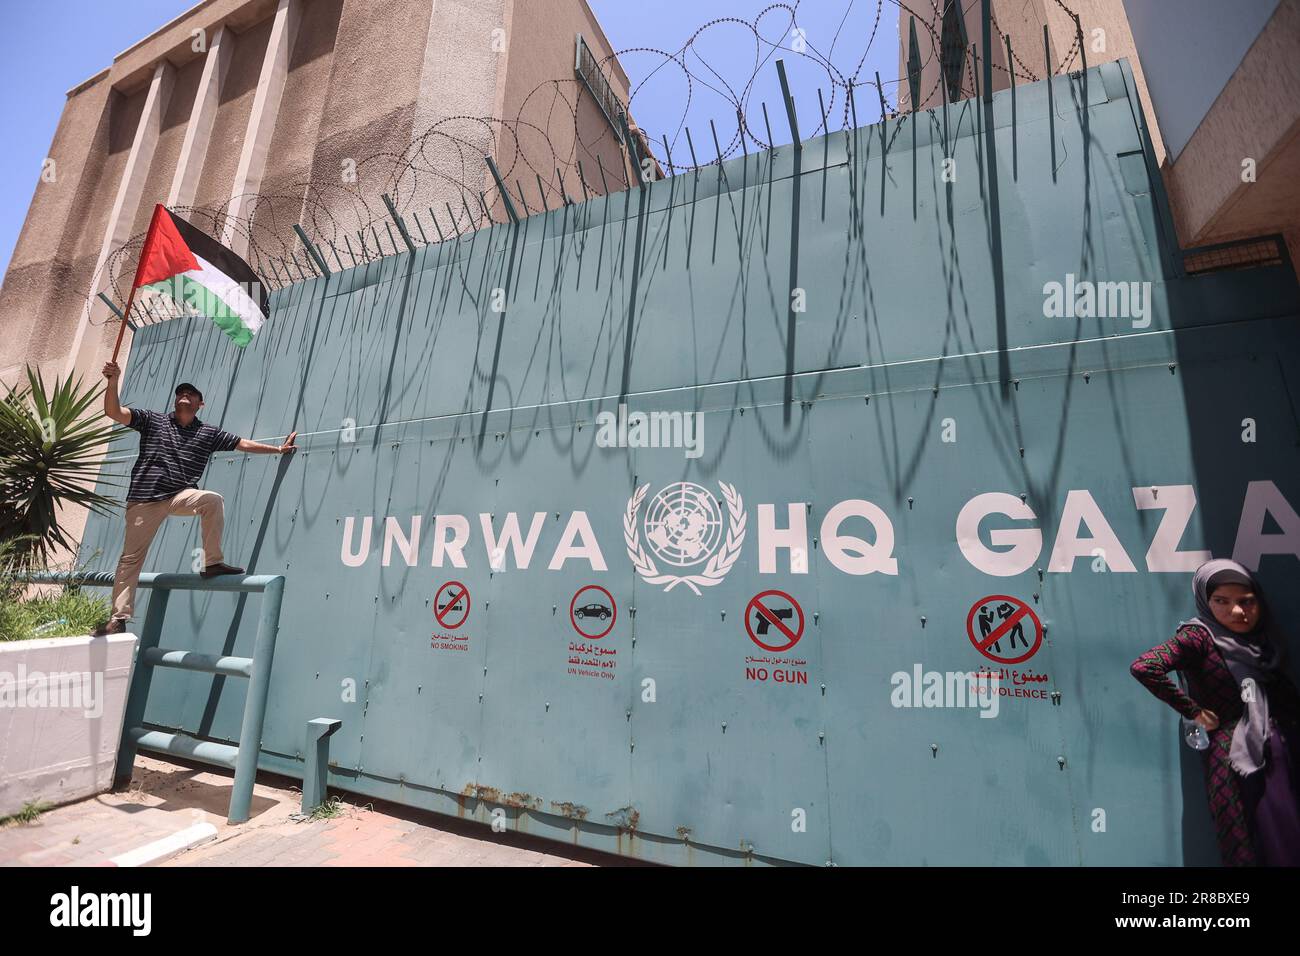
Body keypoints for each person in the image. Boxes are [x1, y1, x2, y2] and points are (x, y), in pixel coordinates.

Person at [90, 360, 297, 636]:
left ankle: (212, 563)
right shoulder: (152, 421)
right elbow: (114, 412)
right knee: (131, 559)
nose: (184, 396)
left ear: (200, 404)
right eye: (181, 393)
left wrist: (278, 449)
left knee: (211, 499)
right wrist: (113, 381)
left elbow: (243, 444)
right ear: (176, 400)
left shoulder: (207, 433)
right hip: (144, 499)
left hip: (179, 495)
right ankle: (119, 619)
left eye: (190, 394)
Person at [1131, 559, 1300, 865]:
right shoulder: (1199, 638)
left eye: (1246, 602)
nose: (1238, 612)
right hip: (1233, 760)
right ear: (1205, 602)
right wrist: (1193, 710)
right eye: (1222, 601)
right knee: (1245, 841)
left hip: (1277, 753)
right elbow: (1145, 667)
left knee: (1286, 837)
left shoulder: (1262, 643)